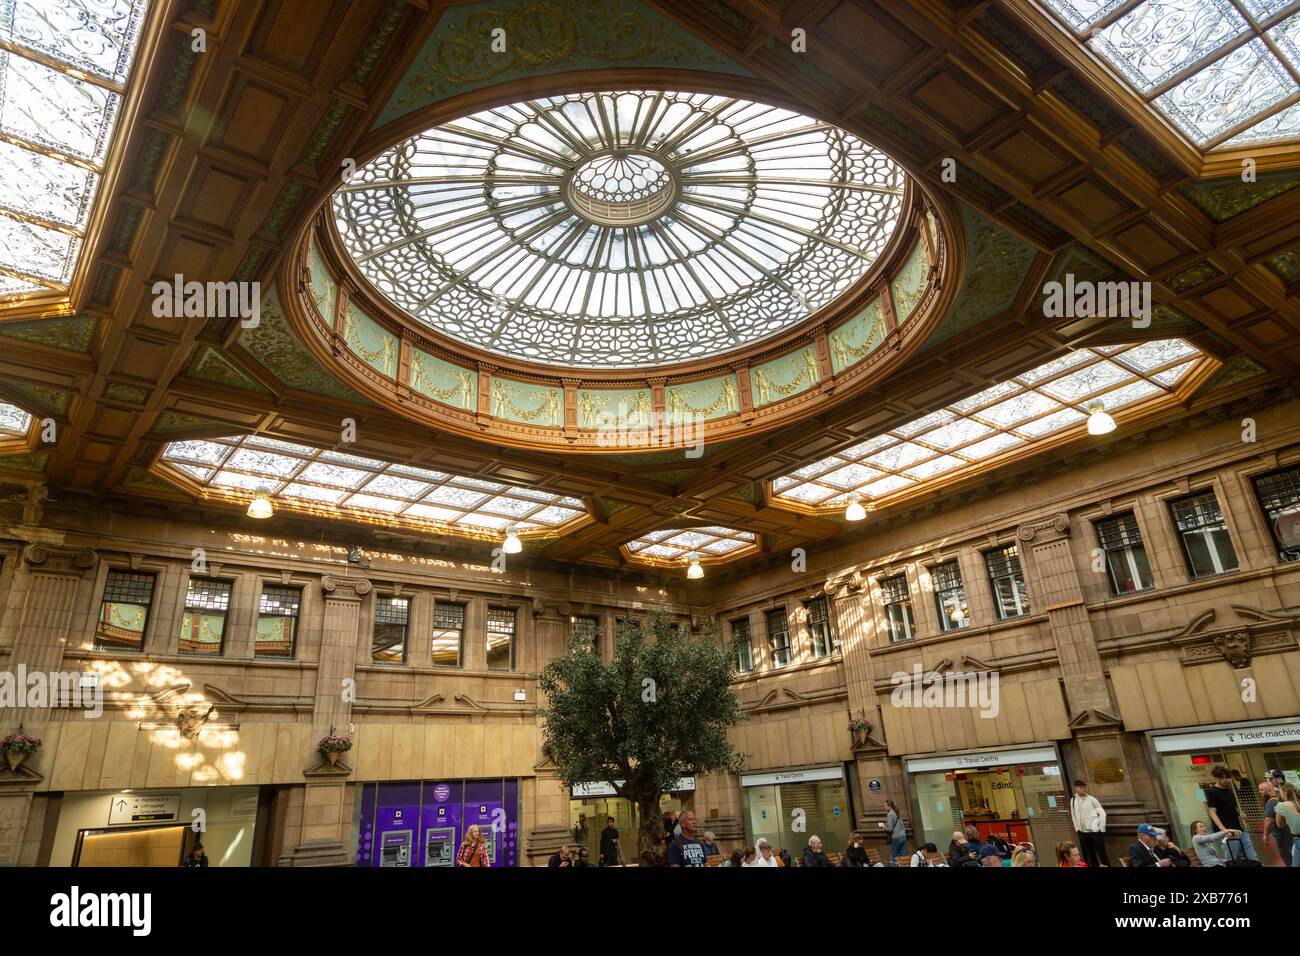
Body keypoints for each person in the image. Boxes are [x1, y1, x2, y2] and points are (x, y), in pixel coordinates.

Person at [1205, 765, 1259, 863]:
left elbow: (1232, 808)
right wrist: (1223, 830)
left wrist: (1240, 813)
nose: (1225, 780)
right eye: (1222, 778)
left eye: (1227, 777)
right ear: (1217, 778)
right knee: (1232, 859)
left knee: (1252, 857)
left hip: (1239, 828)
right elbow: (1212, 812)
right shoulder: (1212, 792)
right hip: (1228, 831)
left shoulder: (1229, 791)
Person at [1070, 779, 1107, 869]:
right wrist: (1077, 829)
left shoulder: (1092, 799)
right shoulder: (1073, 800)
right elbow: (1073, 814)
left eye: (1084, 787)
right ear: (1076, 788)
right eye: (1081, 787)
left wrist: (1101, 830)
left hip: (1095, 832)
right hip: (1082, 832)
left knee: (1102, 854)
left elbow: (1102, 814)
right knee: (1090, 855)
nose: (1083, 789)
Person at [1263, 778, 1293, 868]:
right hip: (1290, 834)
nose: (1260, 792)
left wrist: (1265, 834)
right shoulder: (1286, 802)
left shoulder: (1272, 802)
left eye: (1261, 790)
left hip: (1283, 835)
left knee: (1288, 857)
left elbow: (1270, 820)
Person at [1274, 785, 1300, 868]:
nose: (1279, 793)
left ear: (1285, 792)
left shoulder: (1281, 805)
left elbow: (1280, 825)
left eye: (1280, 791)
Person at [882, 799, 908, 864]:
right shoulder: (897, 813)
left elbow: (890, 829)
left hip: (896, 837)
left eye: (885, 806)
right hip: (903, 836)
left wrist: (884, 827)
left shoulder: (890, 814)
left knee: (894, 856)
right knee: (903, 856)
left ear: (889, 806)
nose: (884, 807)